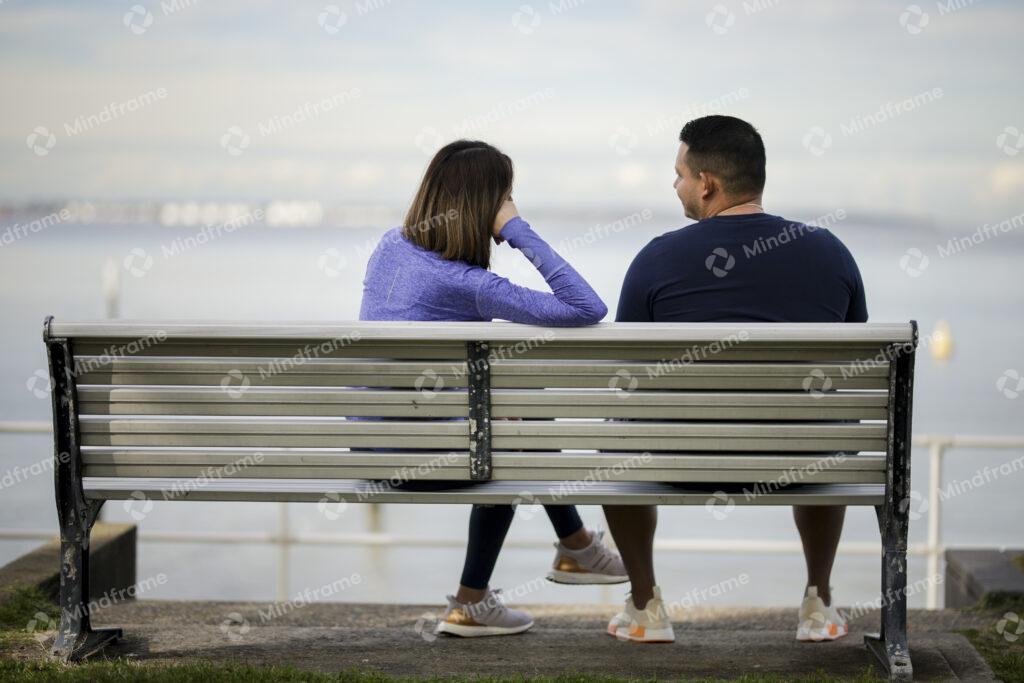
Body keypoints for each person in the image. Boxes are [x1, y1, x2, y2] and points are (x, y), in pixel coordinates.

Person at [603, 115, 867, 644]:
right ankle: (818, 601)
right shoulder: (830, 252)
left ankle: (645, 607)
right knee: (827, 425)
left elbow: (627, 374)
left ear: (706, 183)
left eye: (678, 173)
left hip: (683, 459)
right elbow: (849, 362)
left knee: (617, 434)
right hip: (798, 459)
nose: (674, 184)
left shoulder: (656, 258)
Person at [359, 139, 627, 638]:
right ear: (488, 205)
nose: (510, 206)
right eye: (505, 197)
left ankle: (569, 551)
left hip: (370, 452)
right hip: (425, 462)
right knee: (518, 422)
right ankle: (527, 572)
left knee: (512, 419)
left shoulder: (388, 248)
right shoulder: (470, 284)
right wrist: (518, 231)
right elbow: (586, 307)